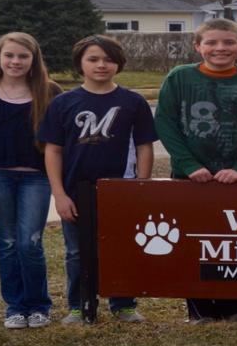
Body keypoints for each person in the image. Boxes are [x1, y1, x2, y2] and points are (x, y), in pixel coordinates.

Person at [155, 18, 237, 323]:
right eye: (211, 42)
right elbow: (166, 123)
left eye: (228, 42)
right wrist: (189, 165)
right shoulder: (179, 77)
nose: (220, 48)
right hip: (191, 177)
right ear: (198, 46)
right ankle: (199, 308)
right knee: (193, 240)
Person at [38, 35, 156, 324]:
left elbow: (144, 146)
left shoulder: (133, 102)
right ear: (80, 63)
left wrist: (141, 185)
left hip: (121, 188)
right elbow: (52, 150)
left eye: (108, 59)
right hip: (77, 189)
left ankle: (123, 303)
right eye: (93, 59)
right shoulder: (63, 103)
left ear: (118, 64)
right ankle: (79, 305)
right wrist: (59, 194)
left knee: (122, 247)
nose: (101, 65)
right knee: (77, 251)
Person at [0, 32, 63, 330]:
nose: (15, 61)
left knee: (30, 243)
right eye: (9, 55)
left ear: (34, 60)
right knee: (7, 243)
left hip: (37, 178)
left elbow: (59, 144)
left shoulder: (51, 92)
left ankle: (39, 305)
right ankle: (15, 307)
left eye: (23, 56)